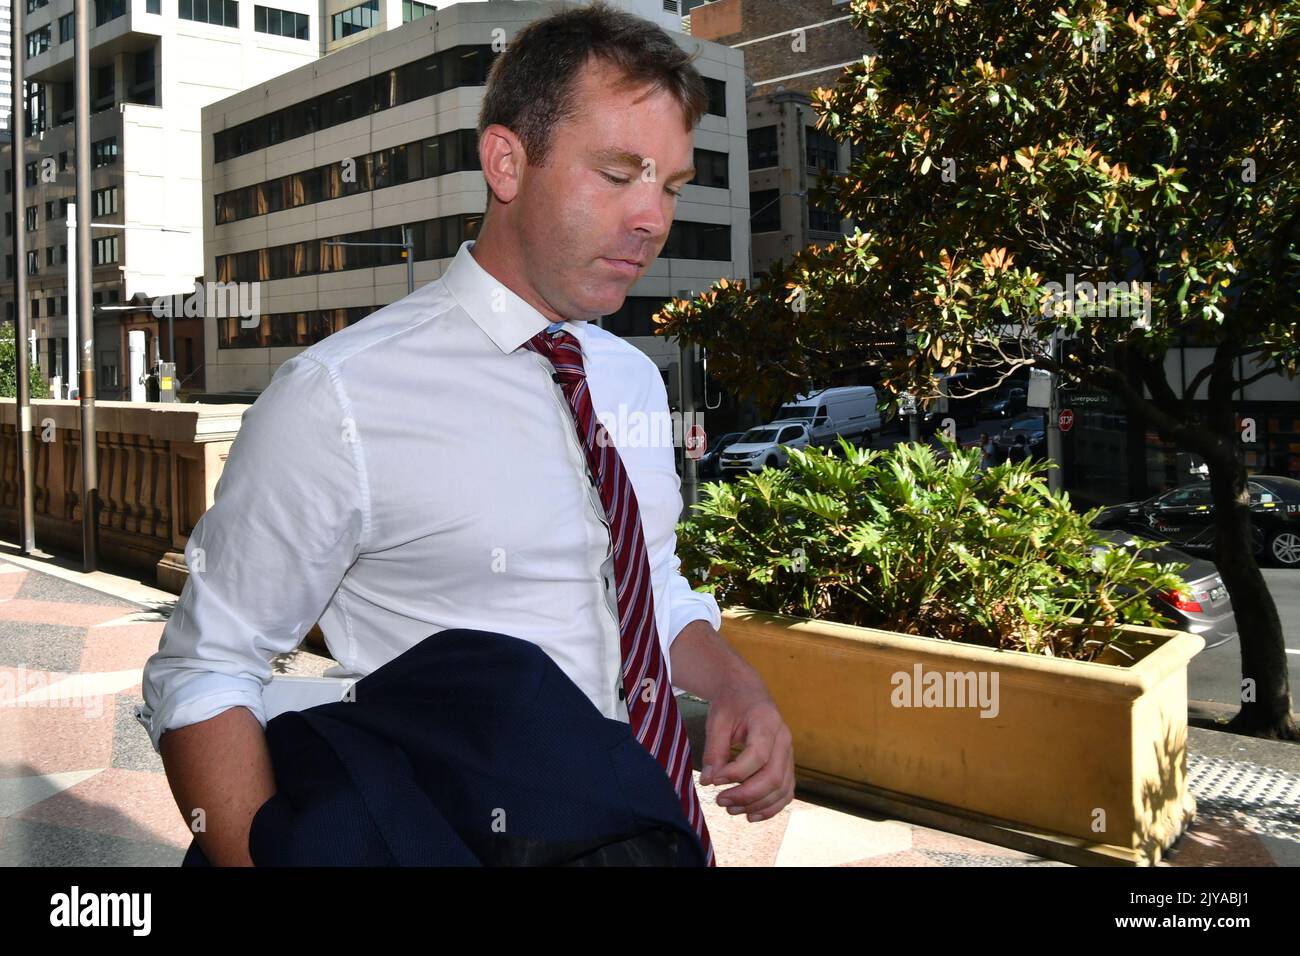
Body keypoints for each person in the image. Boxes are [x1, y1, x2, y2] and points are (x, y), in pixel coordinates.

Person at [139, 2, 794, 866]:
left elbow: (644, 585)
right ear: (506, 162)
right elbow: (205, 670)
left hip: (649, 829)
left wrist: (732, 678)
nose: (653, 218)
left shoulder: (632, 381)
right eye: (617, 174)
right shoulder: (337, 398)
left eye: (667, 185)